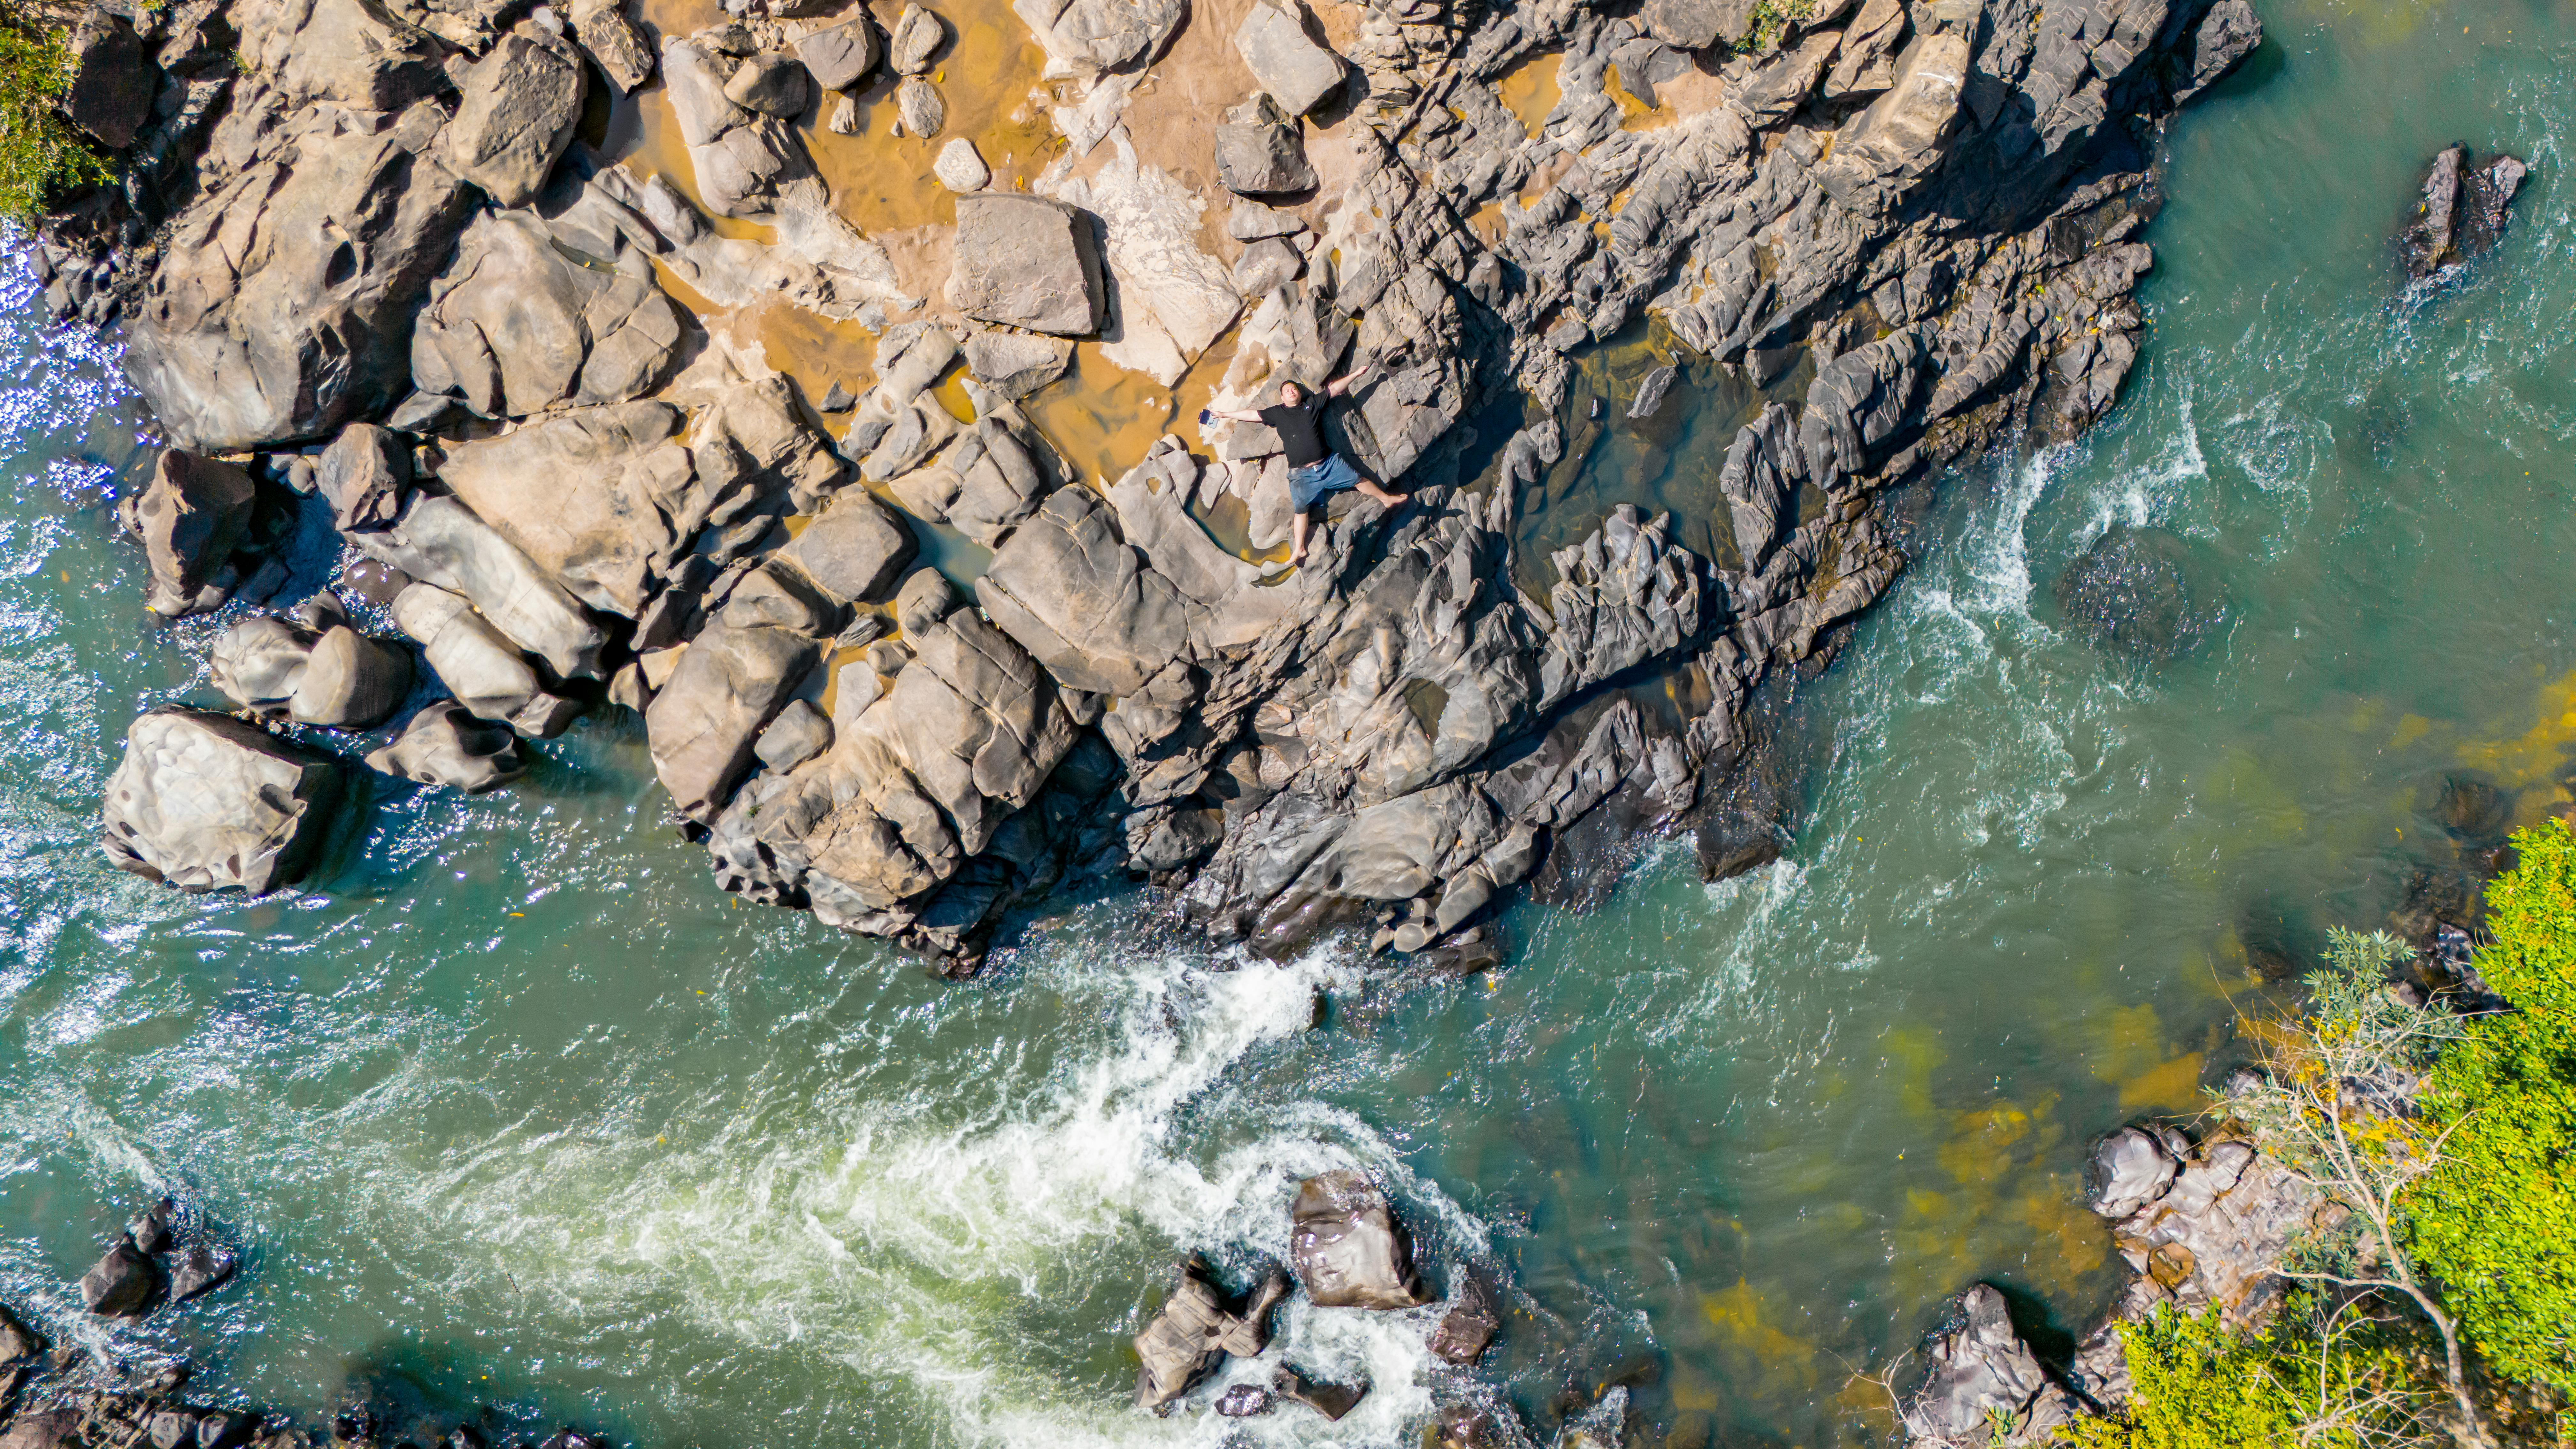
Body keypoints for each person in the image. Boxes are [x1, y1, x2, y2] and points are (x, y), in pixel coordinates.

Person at [1204, 363, 1405, 567]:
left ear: (1299, 393)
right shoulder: (1277, 413)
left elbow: (1334, 389)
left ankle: (1386, 499)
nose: (1292, 391)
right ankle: (1300, 548)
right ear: (1282, 398)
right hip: (1301, 475)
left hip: (1328, 464)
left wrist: (1356, 373)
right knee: (1301, 509)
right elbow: (1251, 415)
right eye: (1287, 391)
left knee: (1358, 479)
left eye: (1294, 389)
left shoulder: (1312, 404)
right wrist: (1224, 415)